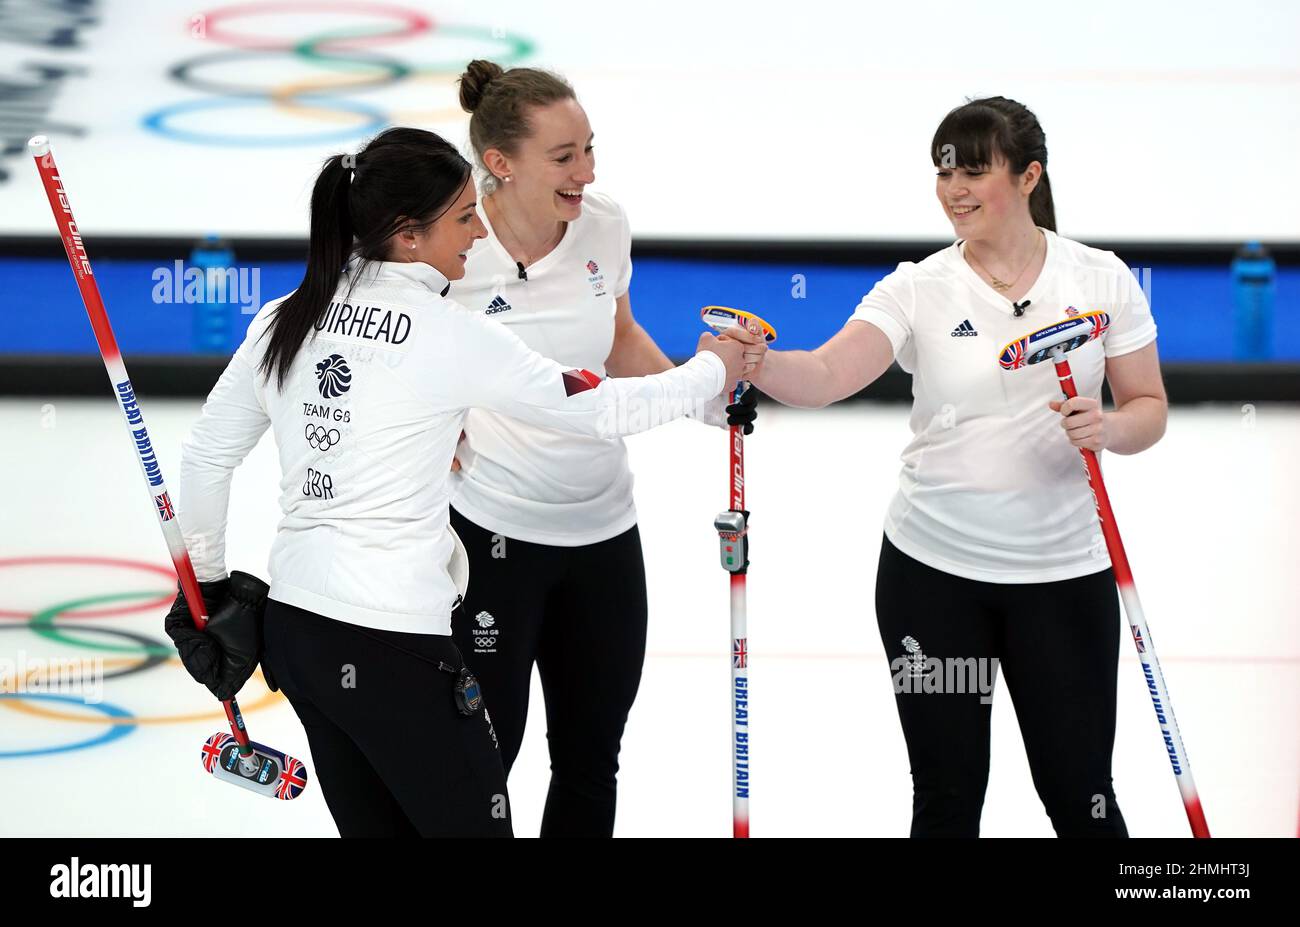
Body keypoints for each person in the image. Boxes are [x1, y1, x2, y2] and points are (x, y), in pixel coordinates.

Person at [165, 126, 763, 838]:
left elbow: (205, 458)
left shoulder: (285, 318)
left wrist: (203, 593)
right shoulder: (445, 331)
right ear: (407, 235)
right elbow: (600, 409)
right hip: (396, 643)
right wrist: (714, 370)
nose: (479, 231)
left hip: (302, 637)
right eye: (461, 216)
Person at [748, 97, 1166, 837]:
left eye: (974, 171)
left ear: (1029, 175)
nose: (954, 190)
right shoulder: (919, 286)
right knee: (946, 796)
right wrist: (758, 364)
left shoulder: (1100, 280)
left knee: (1081, 795)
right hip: (933, 579)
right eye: (943, 173)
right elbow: (823, 374)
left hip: (1063, 578)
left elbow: (1148, 408)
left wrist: (1108, 426)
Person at [445, 60, 760, 837]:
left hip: (602, 538)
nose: (587, 171)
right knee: (484, 756)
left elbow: (617, 337)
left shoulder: (604, 223)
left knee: (590, 758)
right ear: (500, 164)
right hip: (490, 538)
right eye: (564, 157)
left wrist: (708, 405)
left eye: (589, 148)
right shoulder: (452, 244)